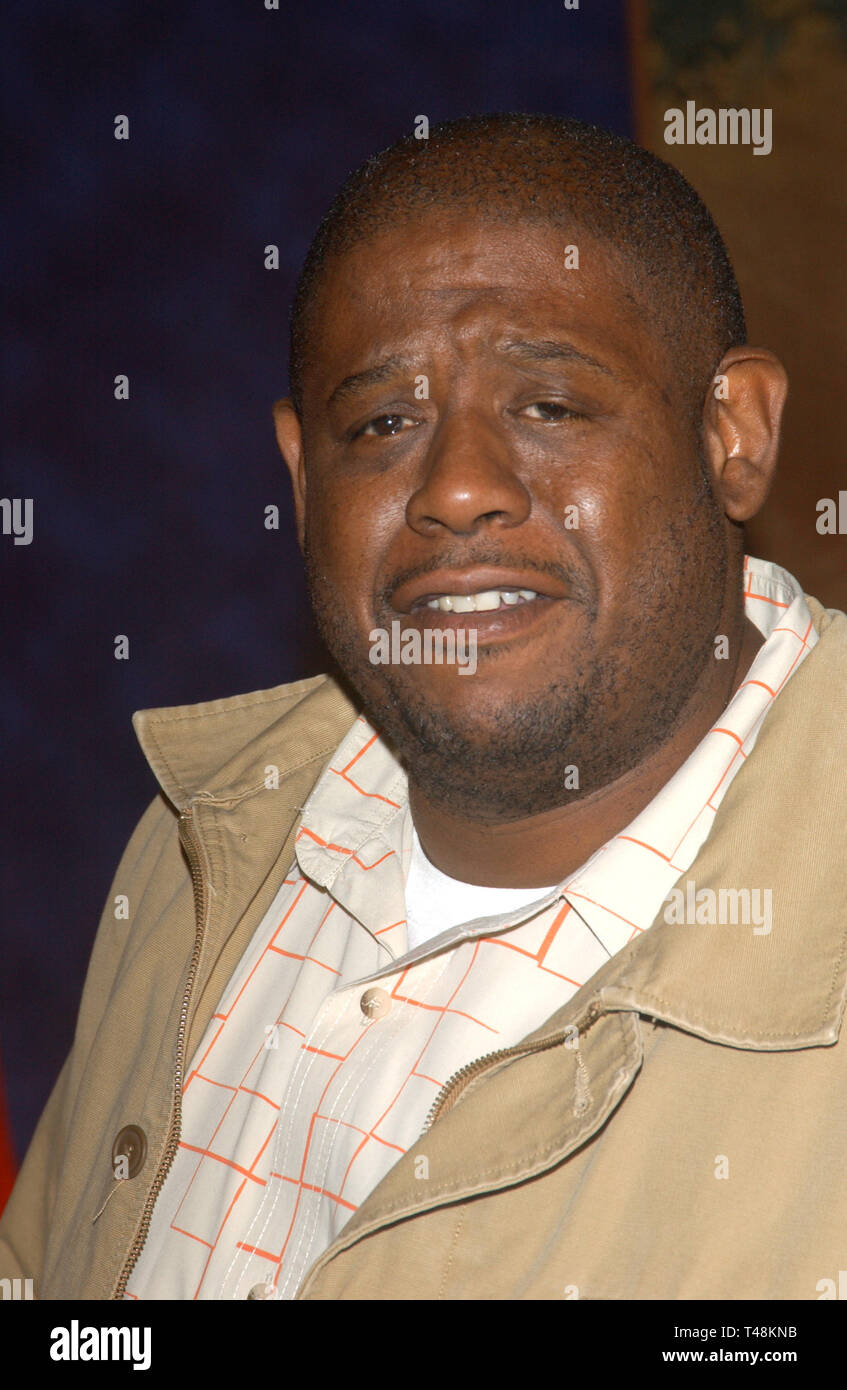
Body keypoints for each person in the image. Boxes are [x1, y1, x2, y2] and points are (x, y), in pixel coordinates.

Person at [1, 113, 845, 1301]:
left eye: (549, 405)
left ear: (732, 432)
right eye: (383, 423)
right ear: (302, 478)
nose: (454, 487)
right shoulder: (206, 840)